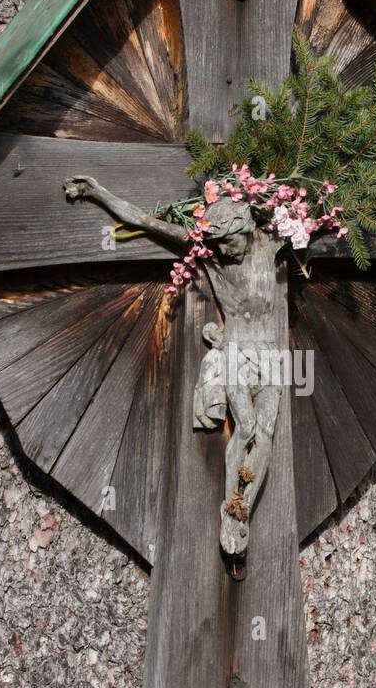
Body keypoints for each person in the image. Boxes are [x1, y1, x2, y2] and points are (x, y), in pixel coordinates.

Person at [64, 178, 284, 568]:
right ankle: (229, 508)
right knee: (246, 428)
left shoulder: (272, 244)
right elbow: (150, 224)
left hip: (271, 357)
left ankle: (243, 508)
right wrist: (99, 192)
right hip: (236, 354)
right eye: (217, 245)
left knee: (265, 434)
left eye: (229, 242)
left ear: (245, 230)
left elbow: (333, 224)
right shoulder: (212, 259)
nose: (224, 251)